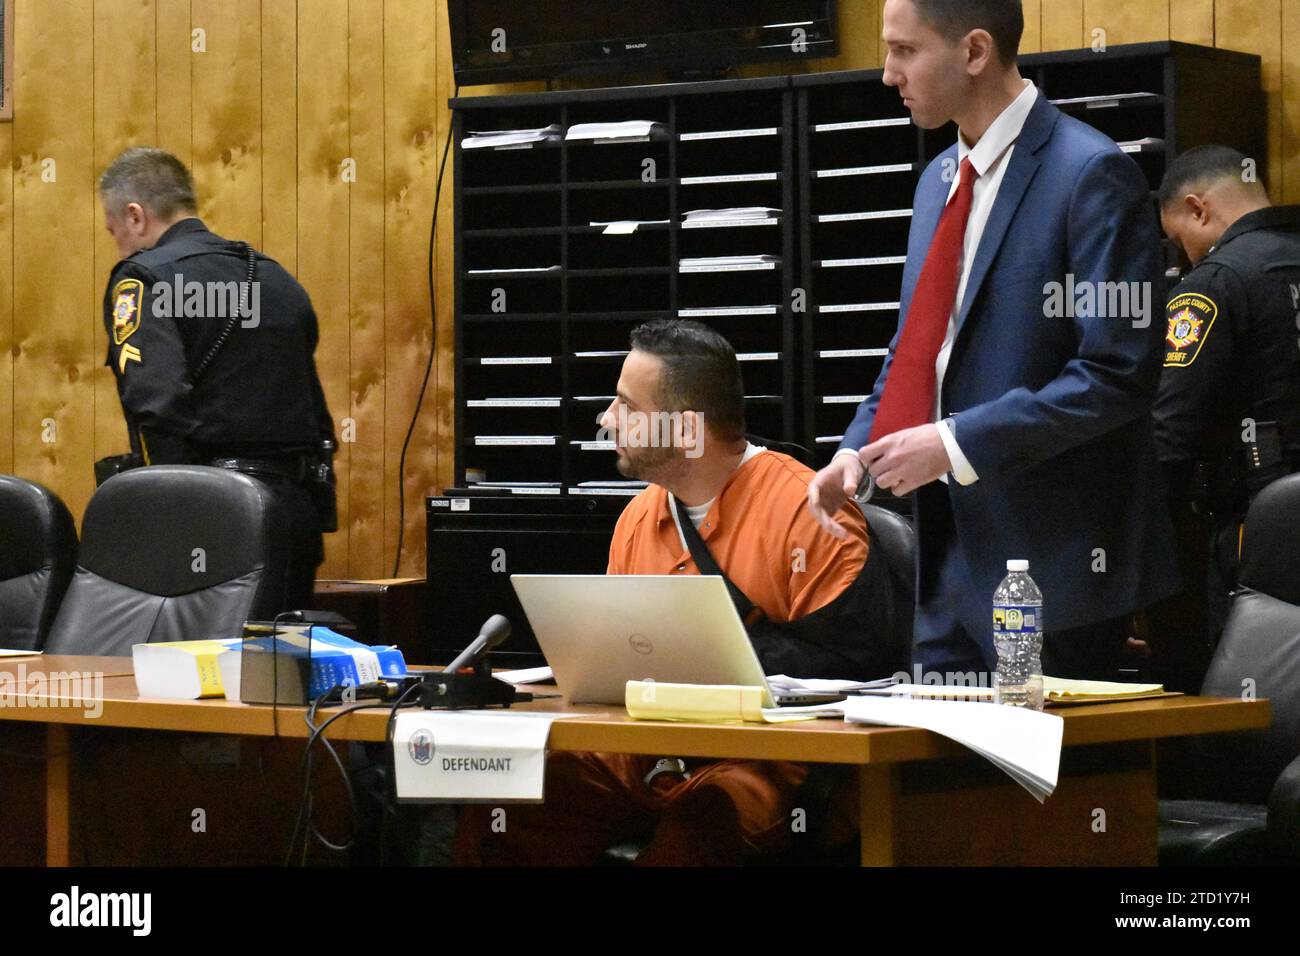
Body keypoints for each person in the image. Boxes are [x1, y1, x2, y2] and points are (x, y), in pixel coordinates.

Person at [807, 0, 1179, 682]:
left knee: (1044, 789)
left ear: (974, 52)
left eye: (904, 51)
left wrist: (952, 443)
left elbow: (1116, 373)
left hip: (1054, 563)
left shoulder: (1090, 173)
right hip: (946, 560)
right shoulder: (936, 182)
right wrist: (856, 451)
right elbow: (919, 351)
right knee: (939, 786)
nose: (888, 74)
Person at [453, 320, 887, 865]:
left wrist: (708, 663)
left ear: (685, 430)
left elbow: (859, 672)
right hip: (647, 753)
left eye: (626, 407)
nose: (607, 420)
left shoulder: (809, 513)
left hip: (765, 765)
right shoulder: (637, 518)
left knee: (702, 830)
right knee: (506, 812)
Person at [98, 147, 336, 610]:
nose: (118, 245)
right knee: (278, 671)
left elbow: (157, 405)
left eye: (114, 232)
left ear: (135, 215)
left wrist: (171, 515)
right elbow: (315, 413)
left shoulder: (144, 280)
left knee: (195, 675)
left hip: (212, 514)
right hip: (295, 517)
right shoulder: (275, 279)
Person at [1144, 145, 1300, 690]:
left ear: (1198, 209)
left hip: (1256, 527)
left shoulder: (1213, 284)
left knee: (1244, 698)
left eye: (1179, 238)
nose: (1183, 256)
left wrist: (1140, 567)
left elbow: (1171, 431)